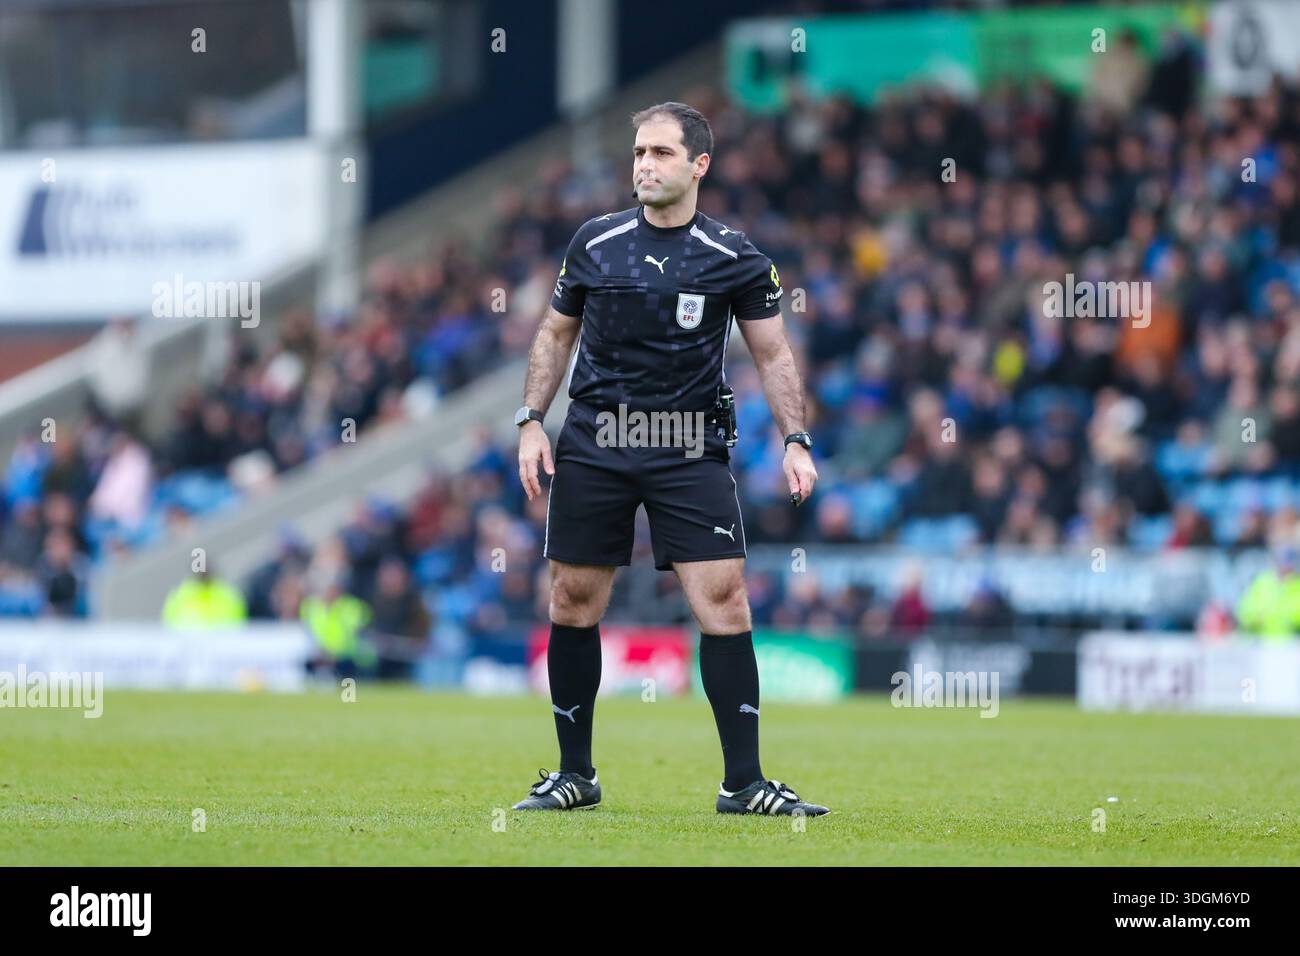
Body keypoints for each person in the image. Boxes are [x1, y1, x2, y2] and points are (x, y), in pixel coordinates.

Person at [512, 102, 828, 816]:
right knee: (572, 599)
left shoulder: (736, 256)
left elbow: (773, 353)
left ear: (699, 165)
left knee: (723, 599)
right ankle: (575, 775)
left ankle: (743, 783)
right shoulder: (594, 241)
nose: (644, 165)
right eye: (638, 153)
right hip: (597, 440)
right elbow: (555, 335)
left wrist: (795, 439)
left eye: (659, 152)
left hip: (689, 445)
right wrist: (532, 420)